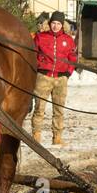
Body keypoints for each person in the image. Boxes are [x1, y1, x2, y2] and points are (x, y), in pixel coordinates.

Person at [32, 11, 76, 145]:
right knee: (39, 108)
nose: (55, 26)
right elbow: (32, 55)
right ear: (49, 23)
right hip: (43, 77)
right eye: (53, 23)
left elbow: (73, 58)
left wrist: (68, 73)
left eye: (58, 24)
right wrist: (39, 67)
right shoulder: (40, 37)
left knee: (59, 109)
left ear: (62, 25)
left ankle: (57, 137)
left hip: (61, 79)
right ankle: (36, 136)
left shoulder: (68, 40)